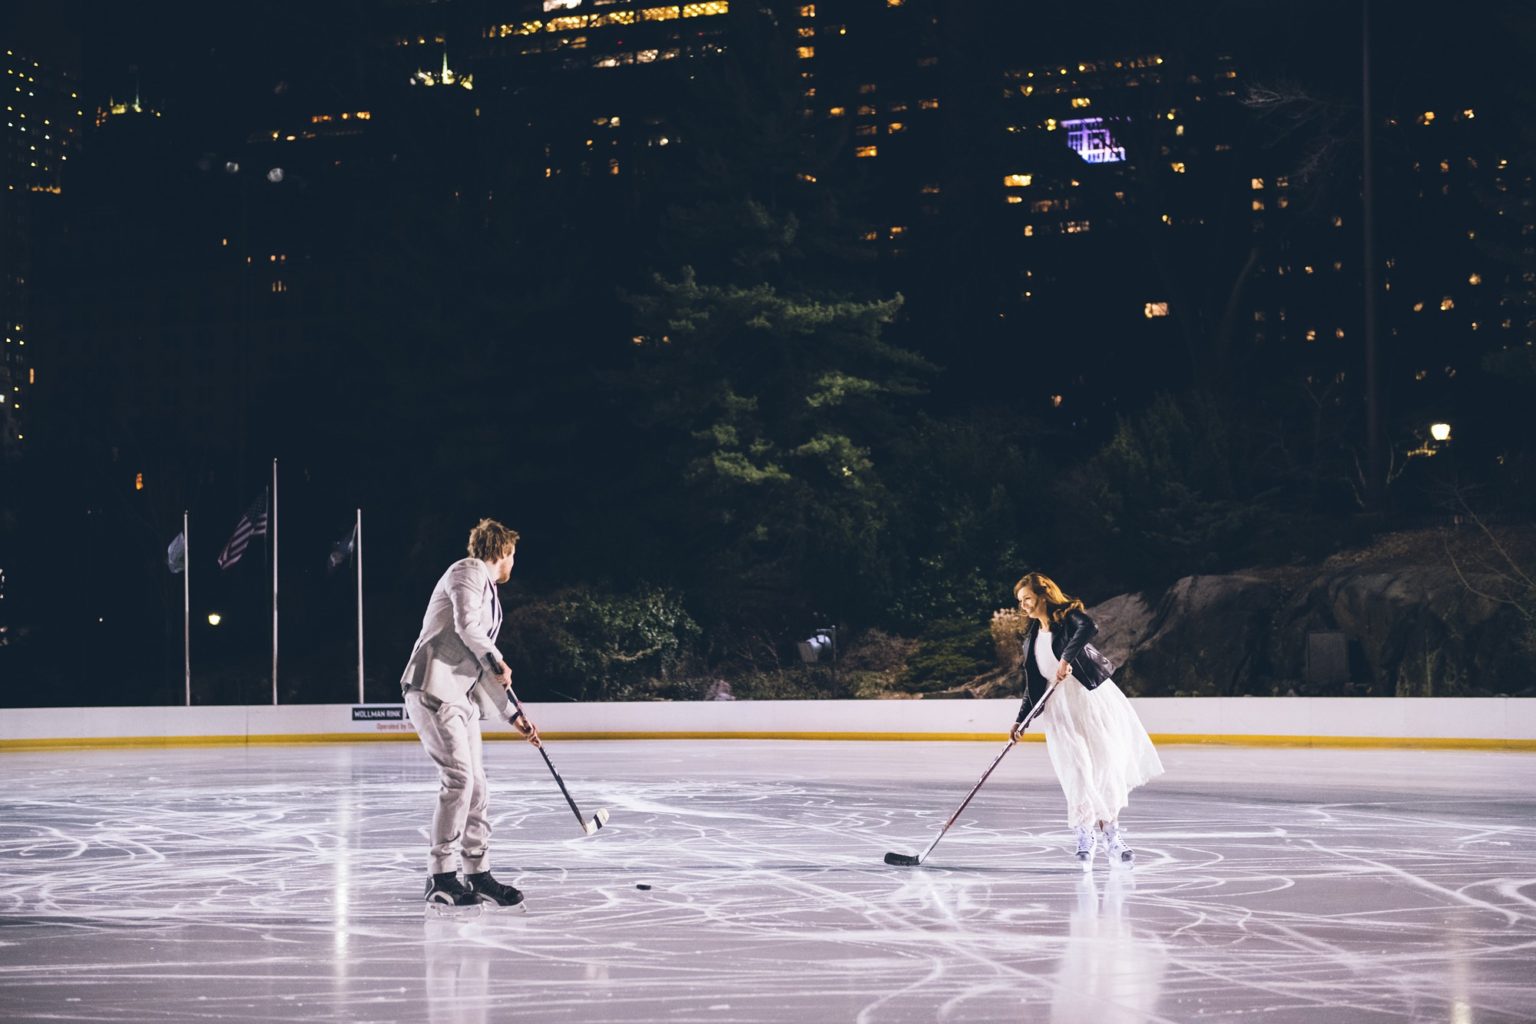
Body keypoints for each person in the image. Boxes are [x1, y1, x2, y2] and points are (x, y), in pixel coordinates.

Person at [401, 518, 541, 907]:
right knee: (460, 779)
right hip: (432, 688)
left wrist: (513, 716)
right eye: (514, 554)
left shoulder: (488, 593)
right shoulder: (467, 571)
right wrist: (497, 658)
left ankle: (478, 874)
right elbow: (466, 628)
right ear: (504, 551)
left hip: (460, 698)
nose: (515, 562)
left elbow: (479, 662)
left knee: (477, 786)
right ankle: (441, 876)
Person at [1009, 571, 1163, 868]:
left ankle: (1112, 835)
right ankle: (1084, 833)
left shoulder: (1069, 619)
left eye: (1027, 598)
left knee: (1105, 767)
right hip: (1060, 712)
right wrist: (1021, 722)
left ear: (1044, 595)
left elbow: (1089, 627)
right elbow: (1034, 688)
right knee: (1077, 770)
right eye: (1020, 601)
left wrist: (1066, 659)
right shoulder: (1030, 642)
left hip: (1091, 703)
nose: (1024, 605)